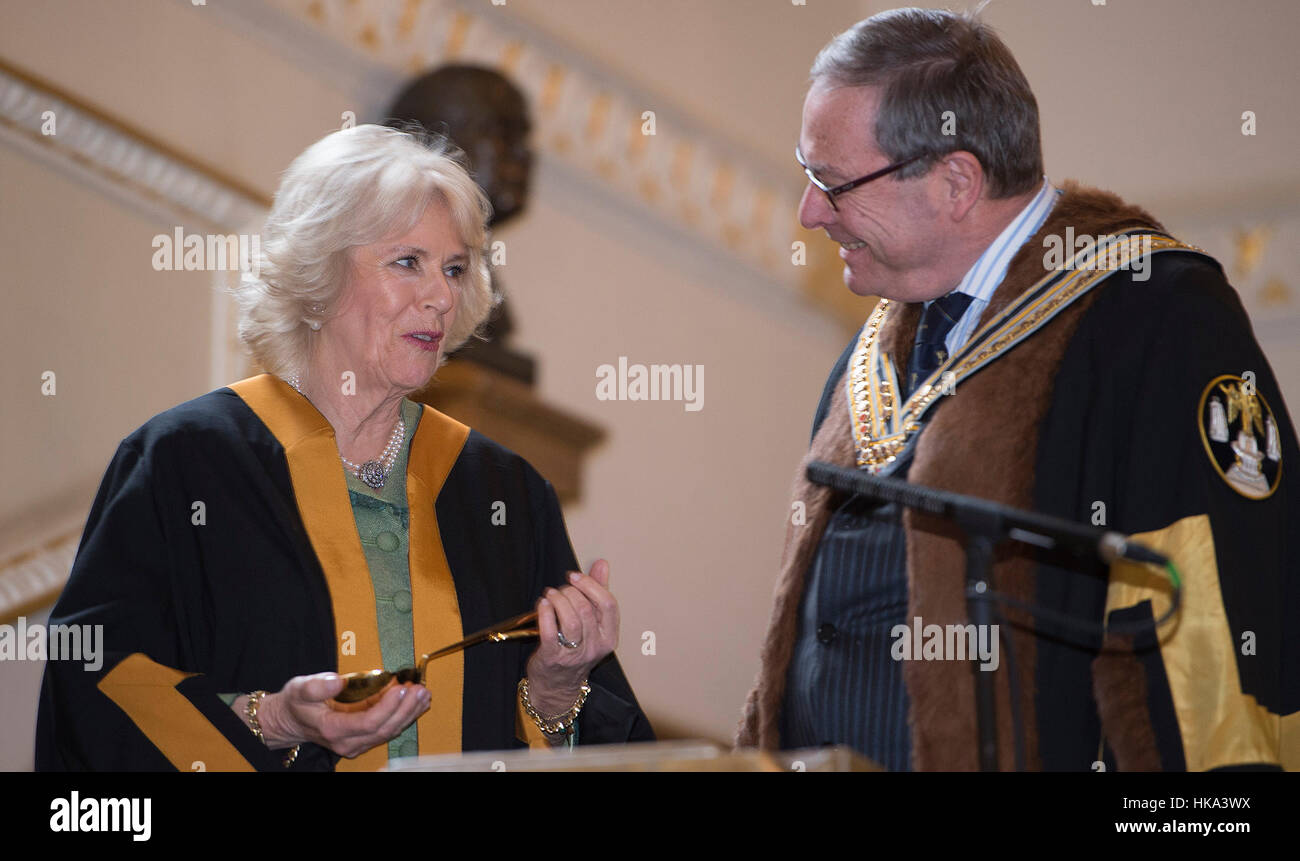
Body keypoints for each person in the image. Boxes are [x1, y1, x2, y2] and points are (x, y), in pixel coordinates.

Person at [737, 7, 1298, 771]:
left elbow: (1217, 645)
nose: (809, 213)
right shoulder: (866, 357)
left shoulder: (1154, 317)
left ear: (956, 181)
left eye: (830, 184)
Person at [36, 124, 653, 771]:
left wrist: (556, 690)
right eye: (407, 262)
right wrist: (272, 718)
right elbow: (101, 688)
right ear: (320, 272)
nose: (441, 295)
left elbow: (594, 742)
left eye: (454, 269)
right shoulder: (186, 463)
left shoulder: (503, 491)